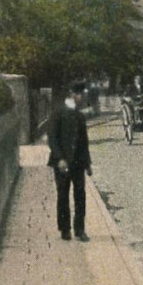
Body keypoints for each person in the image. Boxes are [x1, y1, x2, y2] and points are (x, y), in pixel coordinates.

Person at [48, 80, 93, 241]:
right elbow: (52, 138)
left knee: (80, 195)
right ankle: (65, 229)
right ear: (74, 94)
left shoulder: (80, 116)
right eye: (81, 94)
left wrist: (87, 164)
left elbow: (84, 142)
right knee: (63, 195)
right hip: (62, 163)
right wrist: (59, 158)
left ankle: (79, 229)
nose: (82, 97)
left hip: (78, 163)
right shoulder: (58, 112)